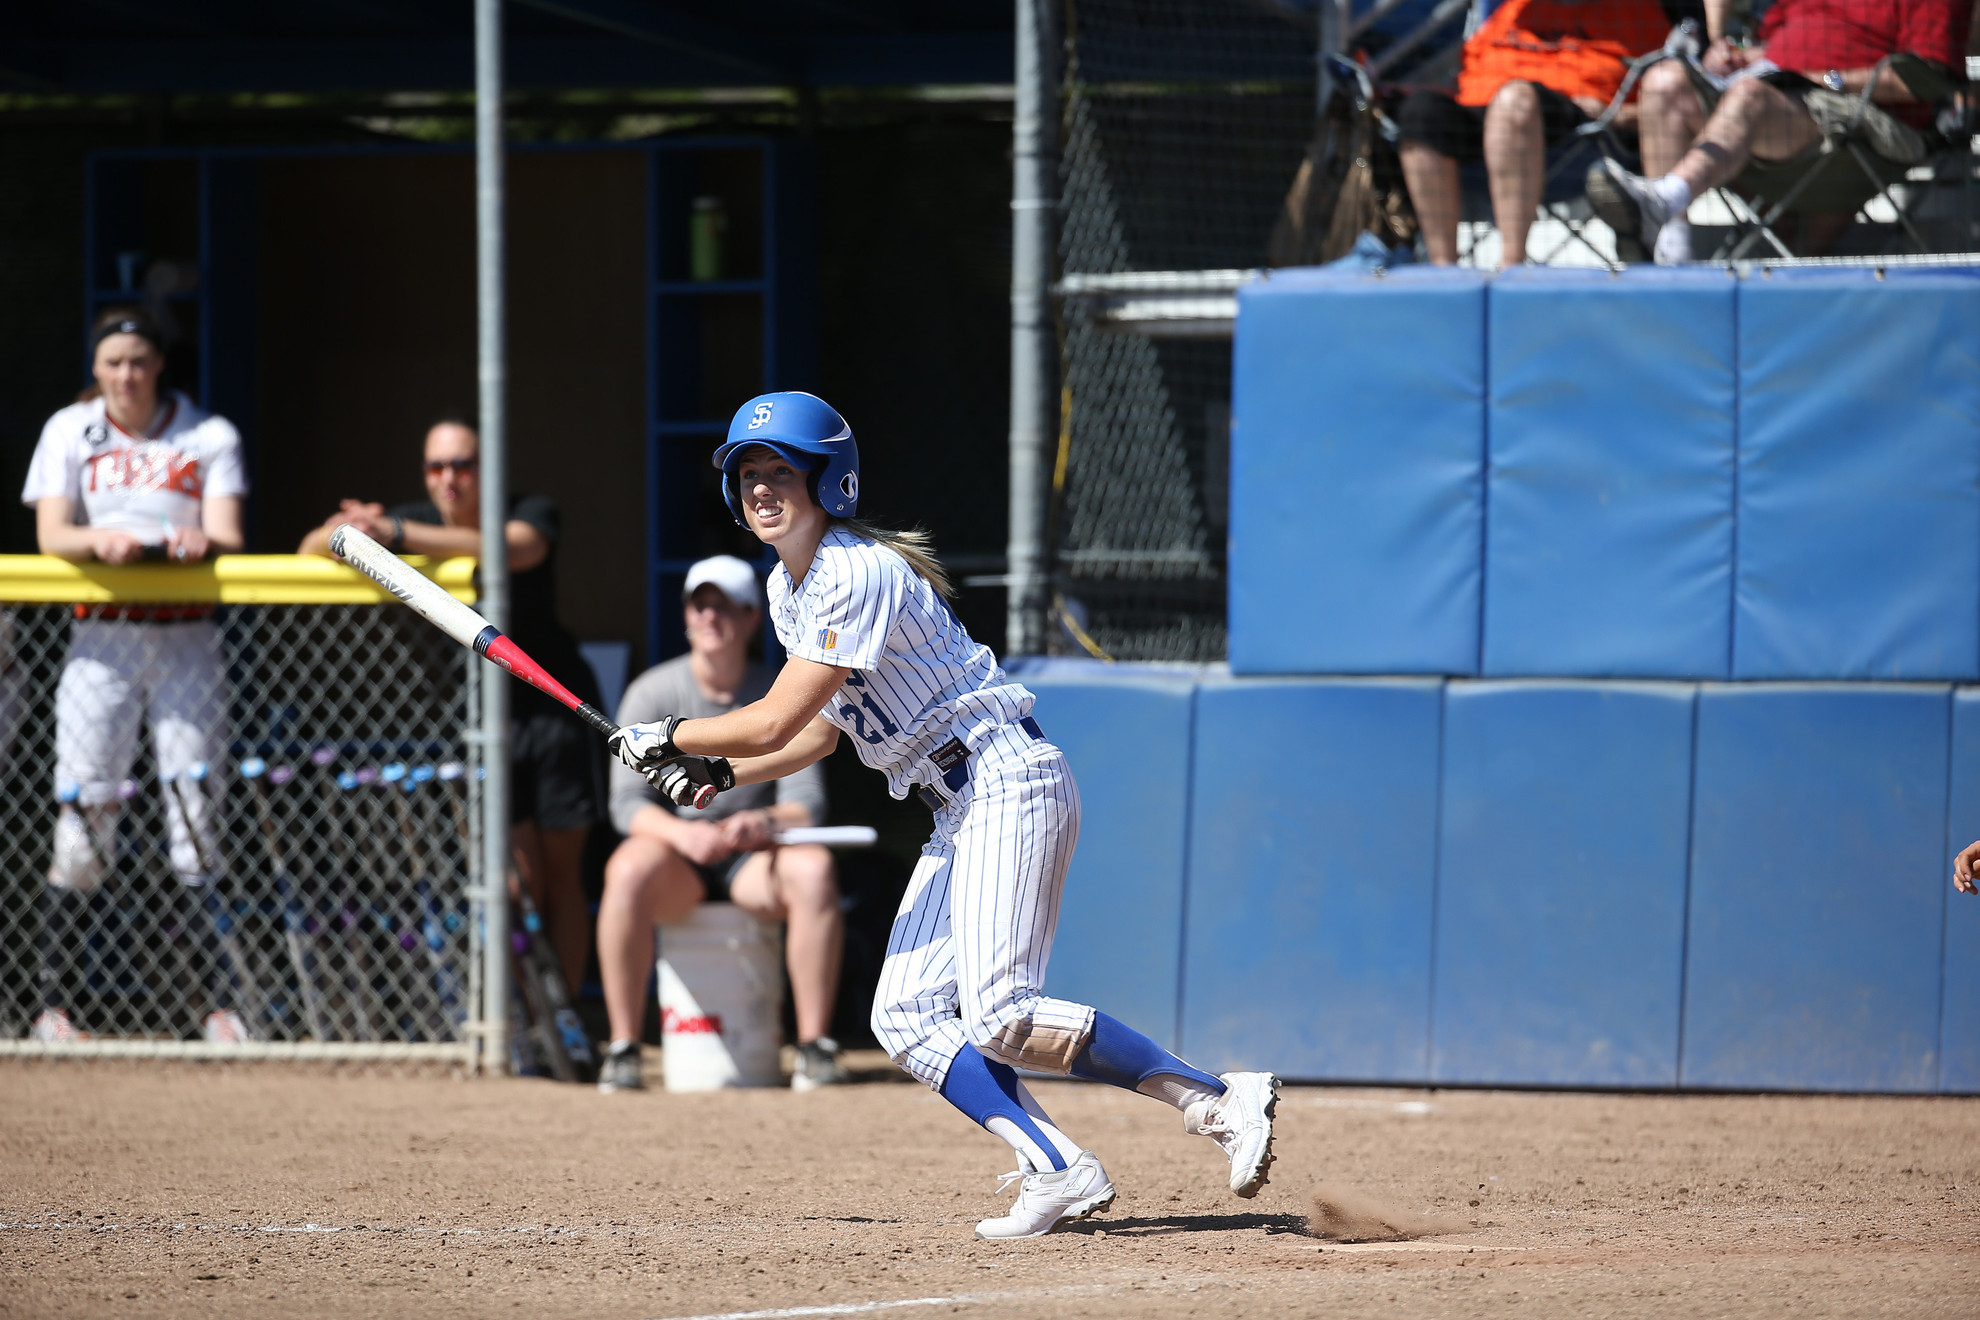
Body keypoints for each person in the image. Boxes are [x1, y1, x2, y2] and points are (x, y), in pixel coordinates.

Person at [607, 392, 1279, 1240]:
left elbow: (774, 716)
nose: (762, 488)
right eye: (748, 475)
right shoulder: (787, 586)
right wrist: (717, 772)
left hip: (1005, 779)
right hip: (956, 807)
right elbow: (817, 732)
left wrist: (670, 734)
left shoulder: (853, 570)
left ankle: (1217, 1099)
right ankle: (1058, 1167)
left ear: (829, 481)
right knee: (904, 1018)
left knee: (1000, 1014)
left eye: (781, 470)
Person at [299, 416, 603, 993]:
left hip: (553, 708)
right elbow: (311, 548)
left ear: (487, 469)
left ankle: (567, 1020)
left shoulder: (527, 509)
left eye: (463, 465)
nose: (448, 479)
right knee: (517, 883)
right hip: (486, 716)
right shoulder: (413, 518)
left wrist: (392, 530)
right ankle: (522, 1019)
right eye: (435, 467)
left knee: (564, 877)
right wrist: (353, 529)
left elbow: (513, 547)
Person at [21, 306, 250, 1044]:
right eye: (114, 362)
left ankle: (219, 1010)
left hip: (185, 636)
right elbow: (52, 534)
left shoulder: (207, 433)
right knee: (84, 815)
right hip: (103, 636)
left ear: (160, 365)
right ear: (96, 367)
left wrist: (198, 541)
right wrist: (102, 540)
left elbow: (229, 534)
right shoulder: (69, 429)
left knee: (196, 814)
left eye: (140, 361)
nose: (127, 375)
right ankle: (55, 1009)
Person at [595, 555, 847, 1094]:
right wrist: (683, 834)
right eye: (699, 605)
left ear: (754, 617)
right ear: (686, 616)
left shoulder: (780, 691)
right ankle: (623, 1048)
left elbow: (807, 802)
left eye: (725, 606)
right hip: (679, 860)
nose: (710, 617)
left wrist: (762, 821)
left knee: (813, 869)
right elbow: (627, 805)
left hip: (753, 859)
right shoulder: (652, 691)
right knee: (627, 867)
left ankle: (814, 1047)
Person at [1586, 0, 1969, 263]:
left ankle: (1662, 200)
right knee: (1663, 81)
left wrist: (1825, 79)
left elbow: (1926, 79)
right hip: (1773, 96)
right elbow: (1774, 43)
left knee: (1751, 96)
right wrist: (1736, 54)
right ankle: (1669, 255)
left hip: (1857, 116)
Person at [1397, 0, 1671, 267]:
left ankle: (1511, 263)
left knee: (1514, 101)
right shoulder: (1512, 10)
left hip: (1574, 133)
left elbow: (1669, 104)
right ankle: (1443, 268)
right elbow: (1469, 67)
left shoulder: (1638, 13)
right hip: (1480, 115)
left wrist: (1618, 115)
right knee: (1421, 111)